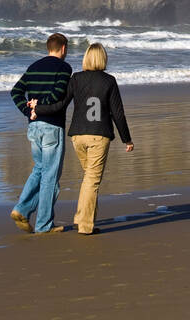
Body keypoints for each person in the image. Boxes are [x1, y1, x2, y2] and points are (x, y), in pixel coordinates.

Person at [30, 42, 134, 235]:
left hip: (77, 136)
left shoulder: (76, 78)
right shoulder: (109, 81)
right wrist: (126, 139)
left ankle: (82, 217)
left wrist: (38, 109)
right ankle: (85, 225)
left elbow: (60, 105)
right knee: (92, 180)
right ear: (103, 58)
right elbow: (118, 113)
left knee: (89, 177)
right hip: (98, 135)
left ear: (86, 58)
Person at [9, 33, 72, 234]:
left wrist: (28, 111)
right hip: (52, 125)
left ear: (48, 48)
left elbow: (15, 92)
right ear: (63, 48)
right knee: (50, 176)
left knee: (39, 169)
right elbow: (58, 94)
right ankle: (44, 224)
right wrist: (40, 106)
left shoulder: (33, 67)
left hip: (33, 126)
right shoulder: (64, 68)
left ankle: (22, 208)